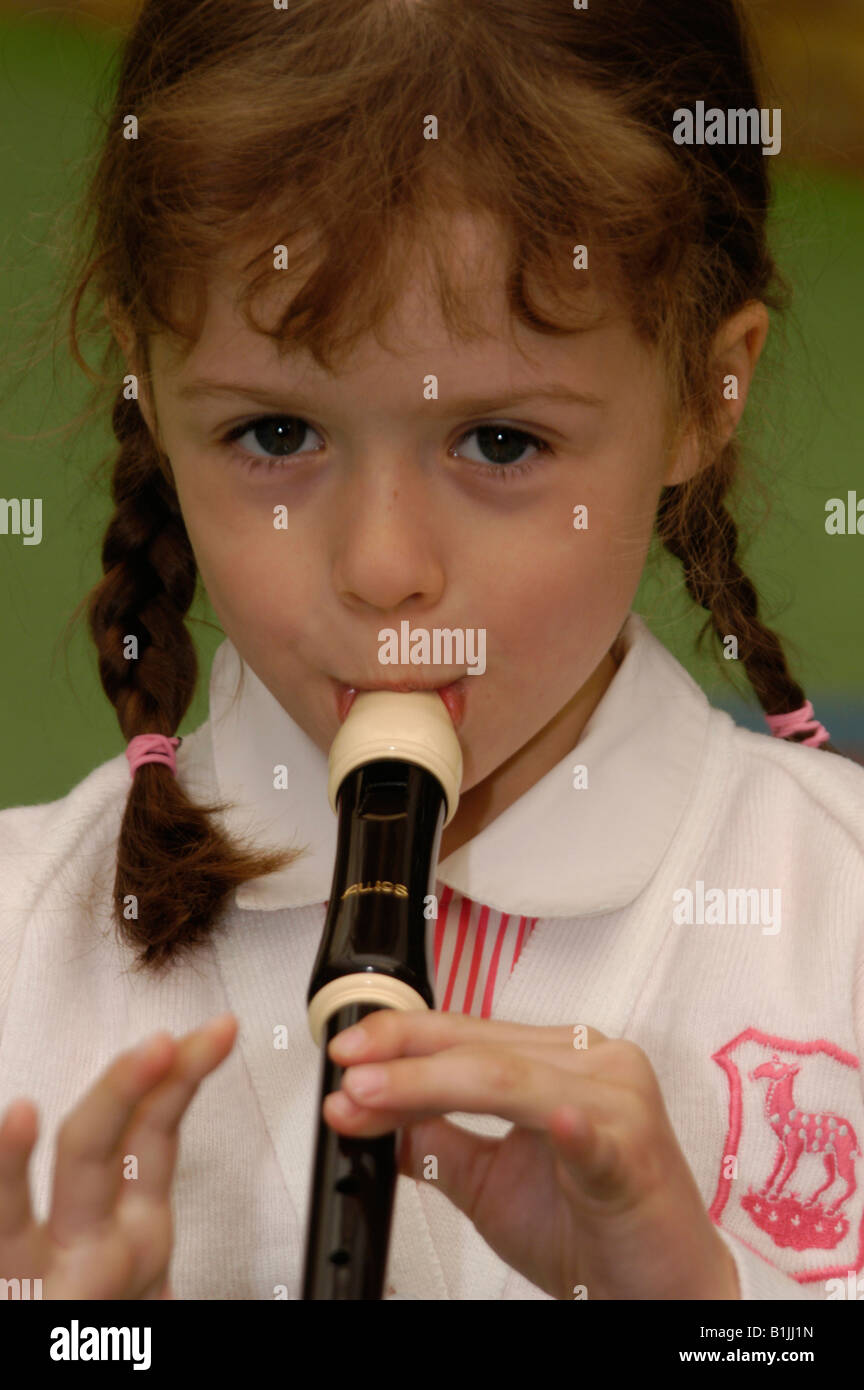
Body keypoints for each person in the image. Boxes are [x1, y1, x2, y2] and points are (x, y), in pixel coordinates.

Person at [1, 0, 862, 1302]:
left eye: (502, 443)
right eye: (276, 435)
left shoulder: (837, 924)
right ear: (149, 381)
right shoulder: (22, 949)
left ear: (706, 392)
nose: (382, 564)